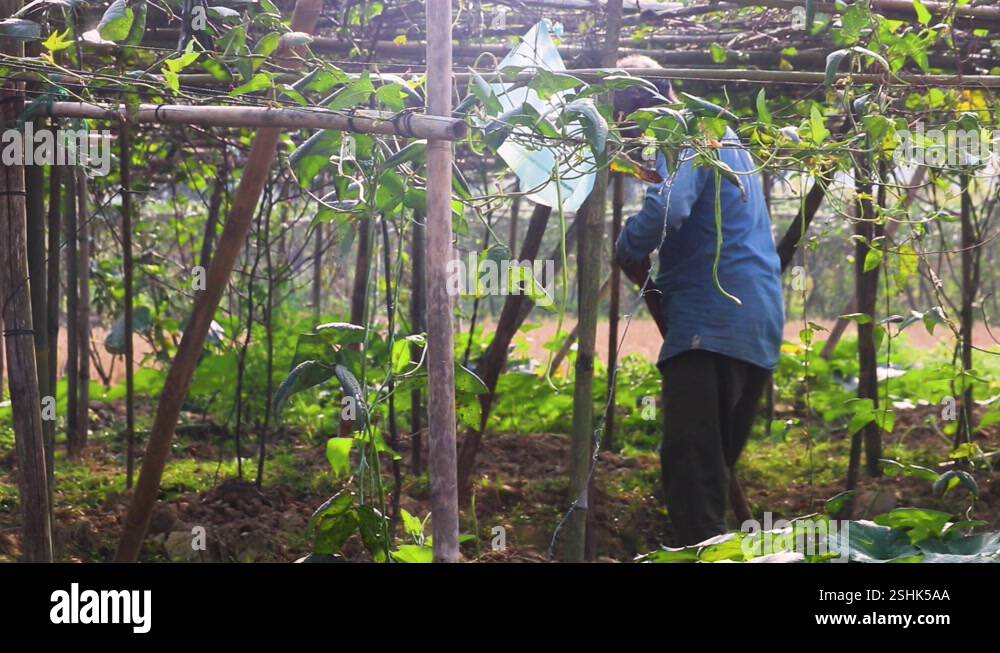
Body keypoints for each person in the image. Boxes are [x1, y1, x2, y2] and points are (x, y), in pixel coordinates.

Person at [613, 56, 785, 546]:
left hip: (708, 324)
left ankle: (702, 554)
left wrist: (629, 244)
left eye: (622, 116)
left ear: (633, 111)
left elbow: (671, 205)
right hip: (756, 325)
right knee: (714, 466)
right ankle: (718, 550)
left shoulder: (680, 133)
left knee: (692, 472)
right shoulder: (725, 138)